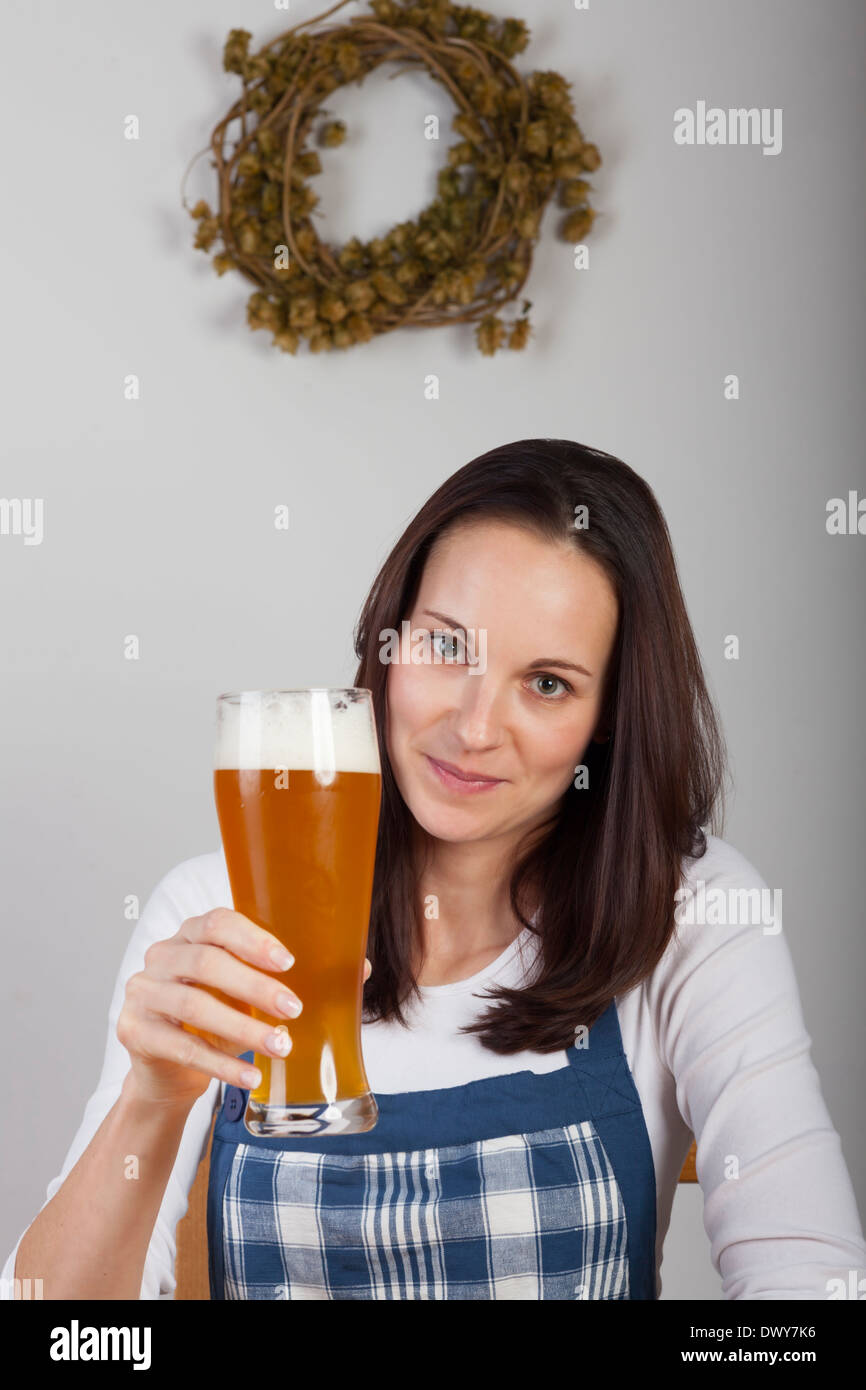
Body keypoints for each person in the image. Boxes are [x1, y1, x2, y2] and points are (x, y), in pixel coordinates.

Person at [6, 438, 865, 1300]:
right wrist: (151, 1105)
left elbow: (810, 1292)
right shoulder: (217, 911)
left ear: (609, 717)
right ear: (388, 639)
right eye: (447, 648)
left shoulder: (694, 914)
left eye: (550, 684)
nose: (475, 726)